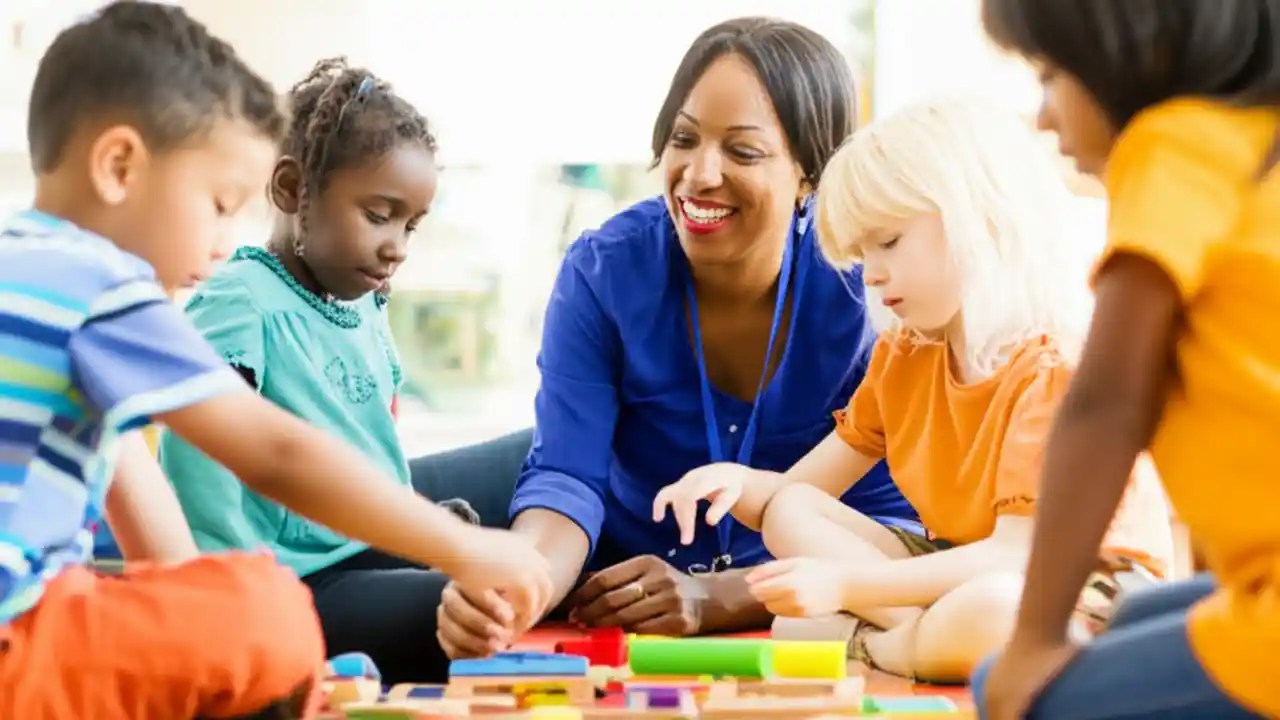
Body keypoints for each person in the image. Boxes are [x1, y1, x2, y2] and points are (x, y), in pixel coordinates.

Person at [0, 4, 551, 717]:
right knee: (274, 610)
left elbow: (147, 519)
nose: (226, 239)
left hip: (39, 626)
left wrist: (211, 623)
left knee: (238, 608)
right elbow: (274, 455)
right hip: (22, 645)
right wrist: (462, 549)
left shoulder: (29, 273)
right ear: (119, 166)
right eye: (218, 203)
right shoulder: (102, 285)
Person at [432, 17, 919, 661]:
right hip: (601, 507)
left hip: (780, 578)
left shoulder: (869, 297)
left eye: (742, 151)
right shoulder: (604, 269)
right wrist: (525, 585)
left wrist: (725, 595)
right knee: (354, 517)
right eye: (683, 139)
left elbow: (900, 527)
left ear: (810, 174)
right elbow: (566, 478)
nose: (697, 174)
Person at [653, 98, 1175, 684]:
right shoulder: (904, 356)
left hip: (1080, 592)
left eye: (889, 243)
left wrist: (846, 586)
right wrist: (739, 485)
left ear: (977, 222)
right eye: (862, 252)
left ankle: (886, 646)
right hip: (957, 576)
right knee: (792, 514)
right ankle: (921, 637)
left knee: (989, 610)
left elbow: (1015, 553)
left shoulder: (1052, 369)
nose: (870, 273)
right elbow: (797, 496)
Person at [158, 57, 530, 685]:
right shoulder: (239, 301)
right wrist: (232, 607)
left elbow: (376, 452)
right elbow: (199, 469)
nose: (398, 247)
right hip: (292, 579)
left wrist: (428, 531)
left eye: (410, 225)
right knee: (472, 608)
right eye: (379, 215)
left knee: (535, 456)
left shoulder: (357, 302)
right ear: (291, 191)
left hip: (359, 537)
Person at [971, 0, 1280, 718]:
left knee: (1008, 688)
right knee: (1136, 619)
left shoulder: (1173, 145)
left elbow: (1107, 403)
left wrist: (1033, 639)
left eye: (1050, 78)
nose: (1043, 119)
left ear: (1137, 54)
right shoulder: (1256, 148)